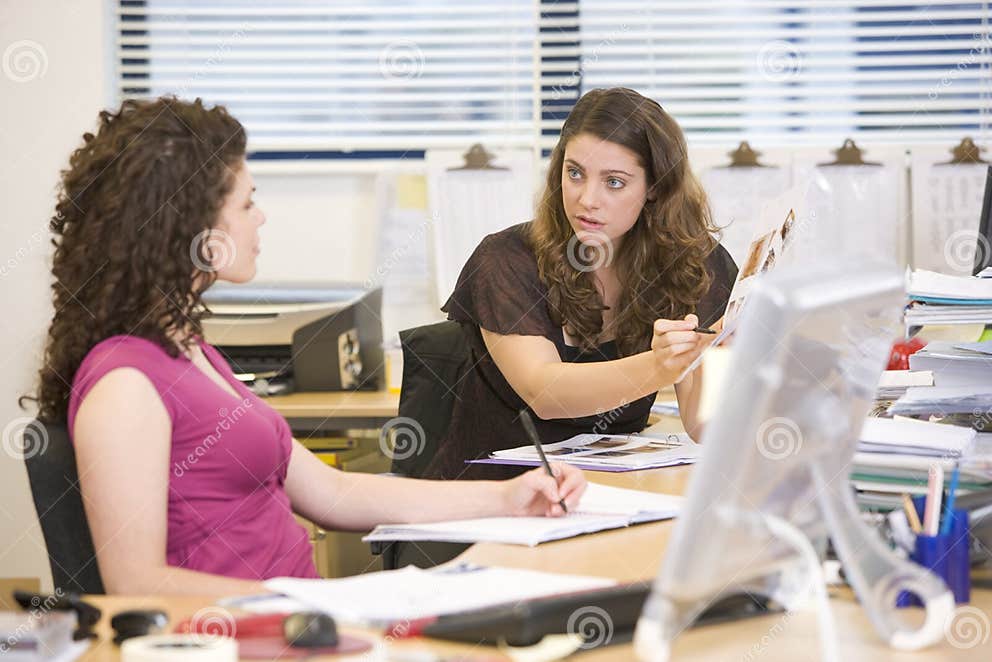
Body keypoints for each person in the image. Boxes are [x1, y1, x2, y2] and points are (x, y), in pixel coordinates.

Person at [27, 97, 586, 595]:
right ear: (189, 228)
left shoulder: (191, 352)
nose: (261, 217)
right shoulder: (125, 384)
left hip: (304, 617)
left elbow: (334, 493)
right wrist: (306, 609)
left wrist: (511, 498)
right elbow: (136, 583)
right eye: (246, 204)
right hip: (262, 631)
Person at [424, 87, 738, 482]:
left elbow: (701, 425)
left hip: (611, 491)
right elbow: (546, 395)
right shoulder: (505, 259)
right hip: (490, 495)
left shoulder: (696, 264)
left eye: (614, 182)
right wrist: (659, 366)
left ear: (655, 188)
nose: (587, 199)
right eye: (575, 173)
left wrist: (731, 361)